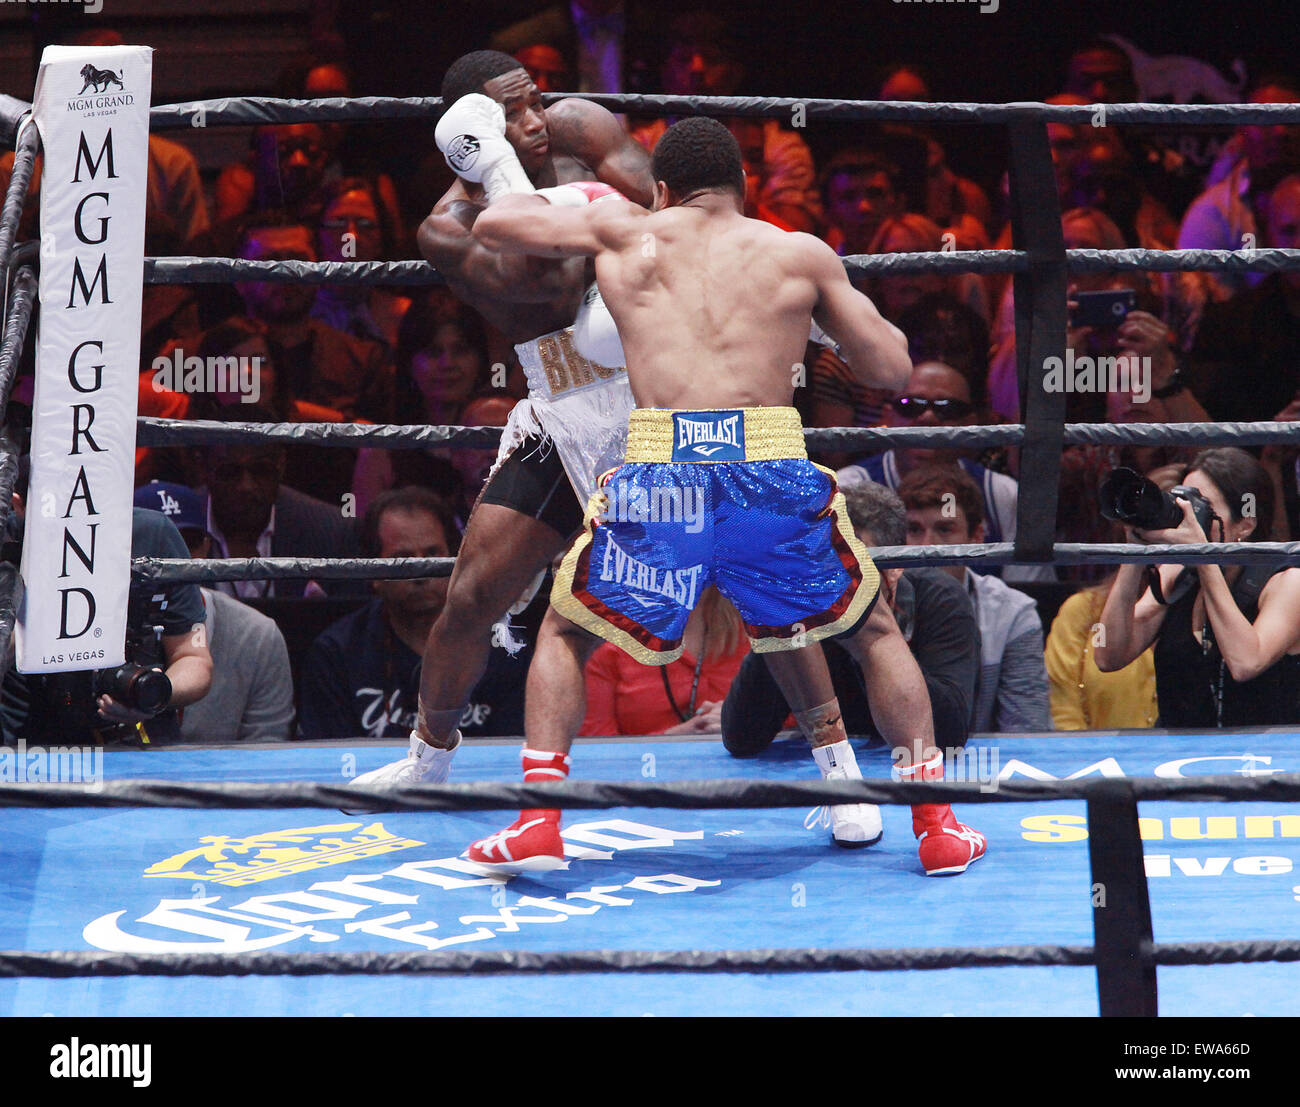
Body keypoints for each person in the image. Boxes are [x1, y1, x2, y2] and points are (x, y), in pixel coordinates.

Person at [455, 116, 986, 877]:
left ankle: (539, 820)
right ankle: (937, 826)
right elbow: (894, 367)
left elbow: (500, 220)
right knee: (871, 633)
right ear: (744, 189)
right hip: (766, 466)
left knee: (566, 634)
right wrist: (823, 324)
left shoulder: (620, 228)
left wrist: (592, 200)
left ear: (664, 189)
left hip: (662, 469)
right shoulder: (795, 251)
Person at [345, 50, 654, 785]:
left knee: (759, 580)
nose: (533, 122)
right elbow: (539, 267)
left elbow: (677, 207)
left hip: (662, 387)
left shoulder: (581, 132)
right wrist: (502, 172)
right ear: (468, 134)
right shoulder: (448, 226)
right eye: (507, 116)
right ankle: (428, 759)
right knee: (473, 596)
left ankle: (835, 767)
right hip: (564, 407)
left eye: (534, 102)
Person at [721, 481, 977, 765]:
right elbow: (741, 738)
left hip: (911, 772)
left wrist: (865, 638)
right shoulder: (804, 607)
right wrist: (780, 616)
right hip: (826, 774)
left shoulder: (938, 598)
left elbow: (950, 734)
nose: (833, 579)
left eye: (848, 562)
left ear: (893, 569)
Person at [300, 488, 532, 740]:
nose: (421, 572)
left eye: (432, 554)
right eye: (403, 558)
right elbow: (330, 761)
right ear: (373, 570)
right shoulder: (336, 654)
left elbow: (510, 754)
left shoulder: (506, 648)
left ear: (456, 559)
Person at [1095, 448, 1300, 727]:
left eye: (1201, 507)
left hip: (1265, 761)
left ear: (1245, 525)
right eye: (1182, 501)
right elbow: (1108, 655)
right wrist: (1135, 555)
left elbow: (1245, 663)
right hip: (1177, 760)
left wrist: (1203, 558)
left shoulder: (1287, 583)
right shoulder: (1176, 576)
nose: (1187, 516)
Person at [1, 503, 213, 747]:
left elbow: (193, 658)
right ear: (19, 502)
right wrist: (19, 632)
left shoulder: (151, 533)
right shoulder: (7, 540)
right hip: (30, 746)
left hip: (142, 745)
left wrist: (154, 693)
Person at [133, 482, 295, 743]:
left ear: (207, 547)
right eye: (160, 549)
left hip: (226, 782)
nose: (177, 558)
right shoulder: (97, 633)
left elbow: (267, 748)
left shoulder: (257, 635)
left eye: (189, 543)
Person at [899, 465, 1051, 733]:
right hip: (889, 763)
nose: (927, 546)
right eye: (913, 529)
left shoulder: (1012, 613)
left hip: (985, 769)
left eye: (945, 530)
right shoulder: (870, 608)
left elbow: (1026, 733)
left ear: (976, 538)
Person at [580, 586, 748, 736]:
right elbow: (594, 751)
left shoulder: (759, 633)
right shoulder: (608, 641)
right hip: (645, 769)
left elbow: (773, 732)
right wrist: (673, 738)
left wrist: (746, 727)